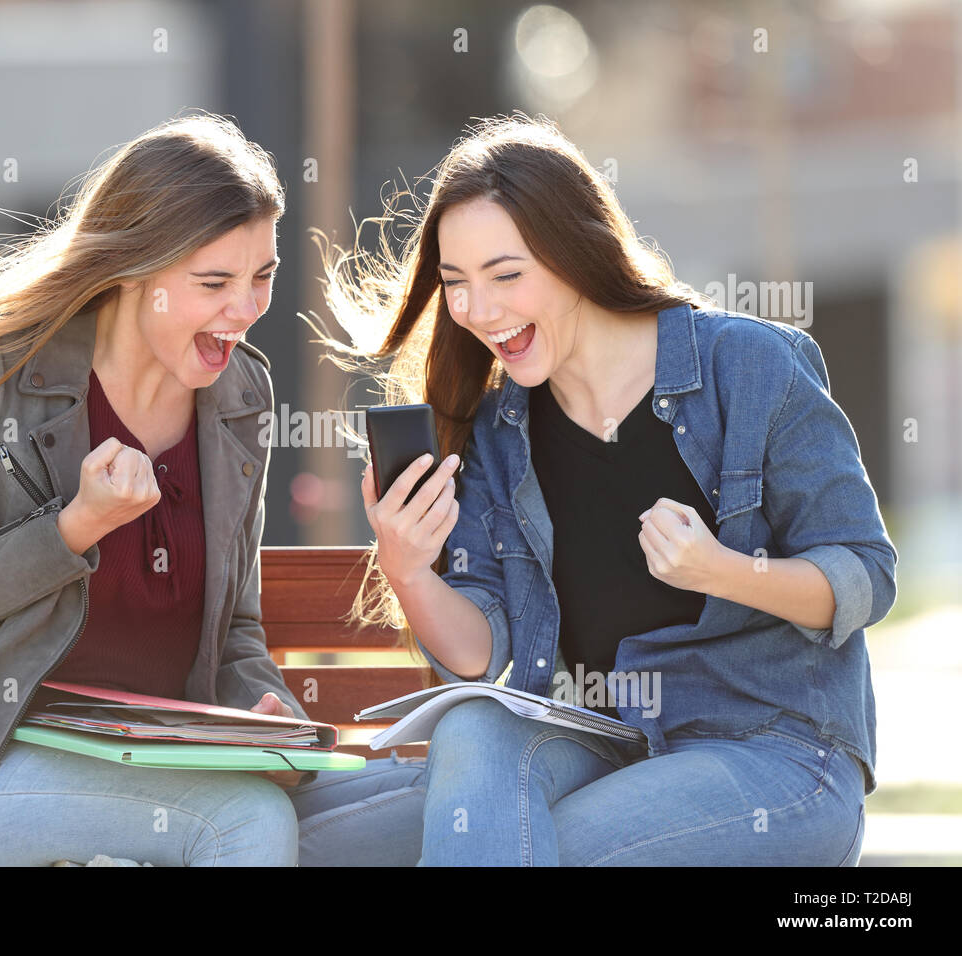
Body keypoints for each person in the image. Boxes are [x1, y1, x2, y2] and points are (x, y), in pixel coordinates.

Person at [310, 113, 895, 866]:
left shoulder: (752, 368)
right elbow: (485, 655)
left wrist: (722, 571)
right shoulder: (497, 430)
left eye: (506, 275)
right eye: (456, 284)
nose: (478, 312)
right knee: (381, 786)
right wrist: (406, 567)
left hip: (773, 754)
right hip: (600, 741)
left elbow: (865, 576)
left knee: (544, 852)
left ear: (577, 254)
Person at [0, 113, 424, 867]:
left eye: (263, 277)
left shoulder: (240, 398)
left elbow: (235, 628)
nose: (244, 311)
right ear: (132, 271)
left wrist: (261, 711)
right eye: (214, 283)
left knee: (433, 802)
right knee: (244, 826)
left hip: (158, 776)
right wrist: (73, 528)